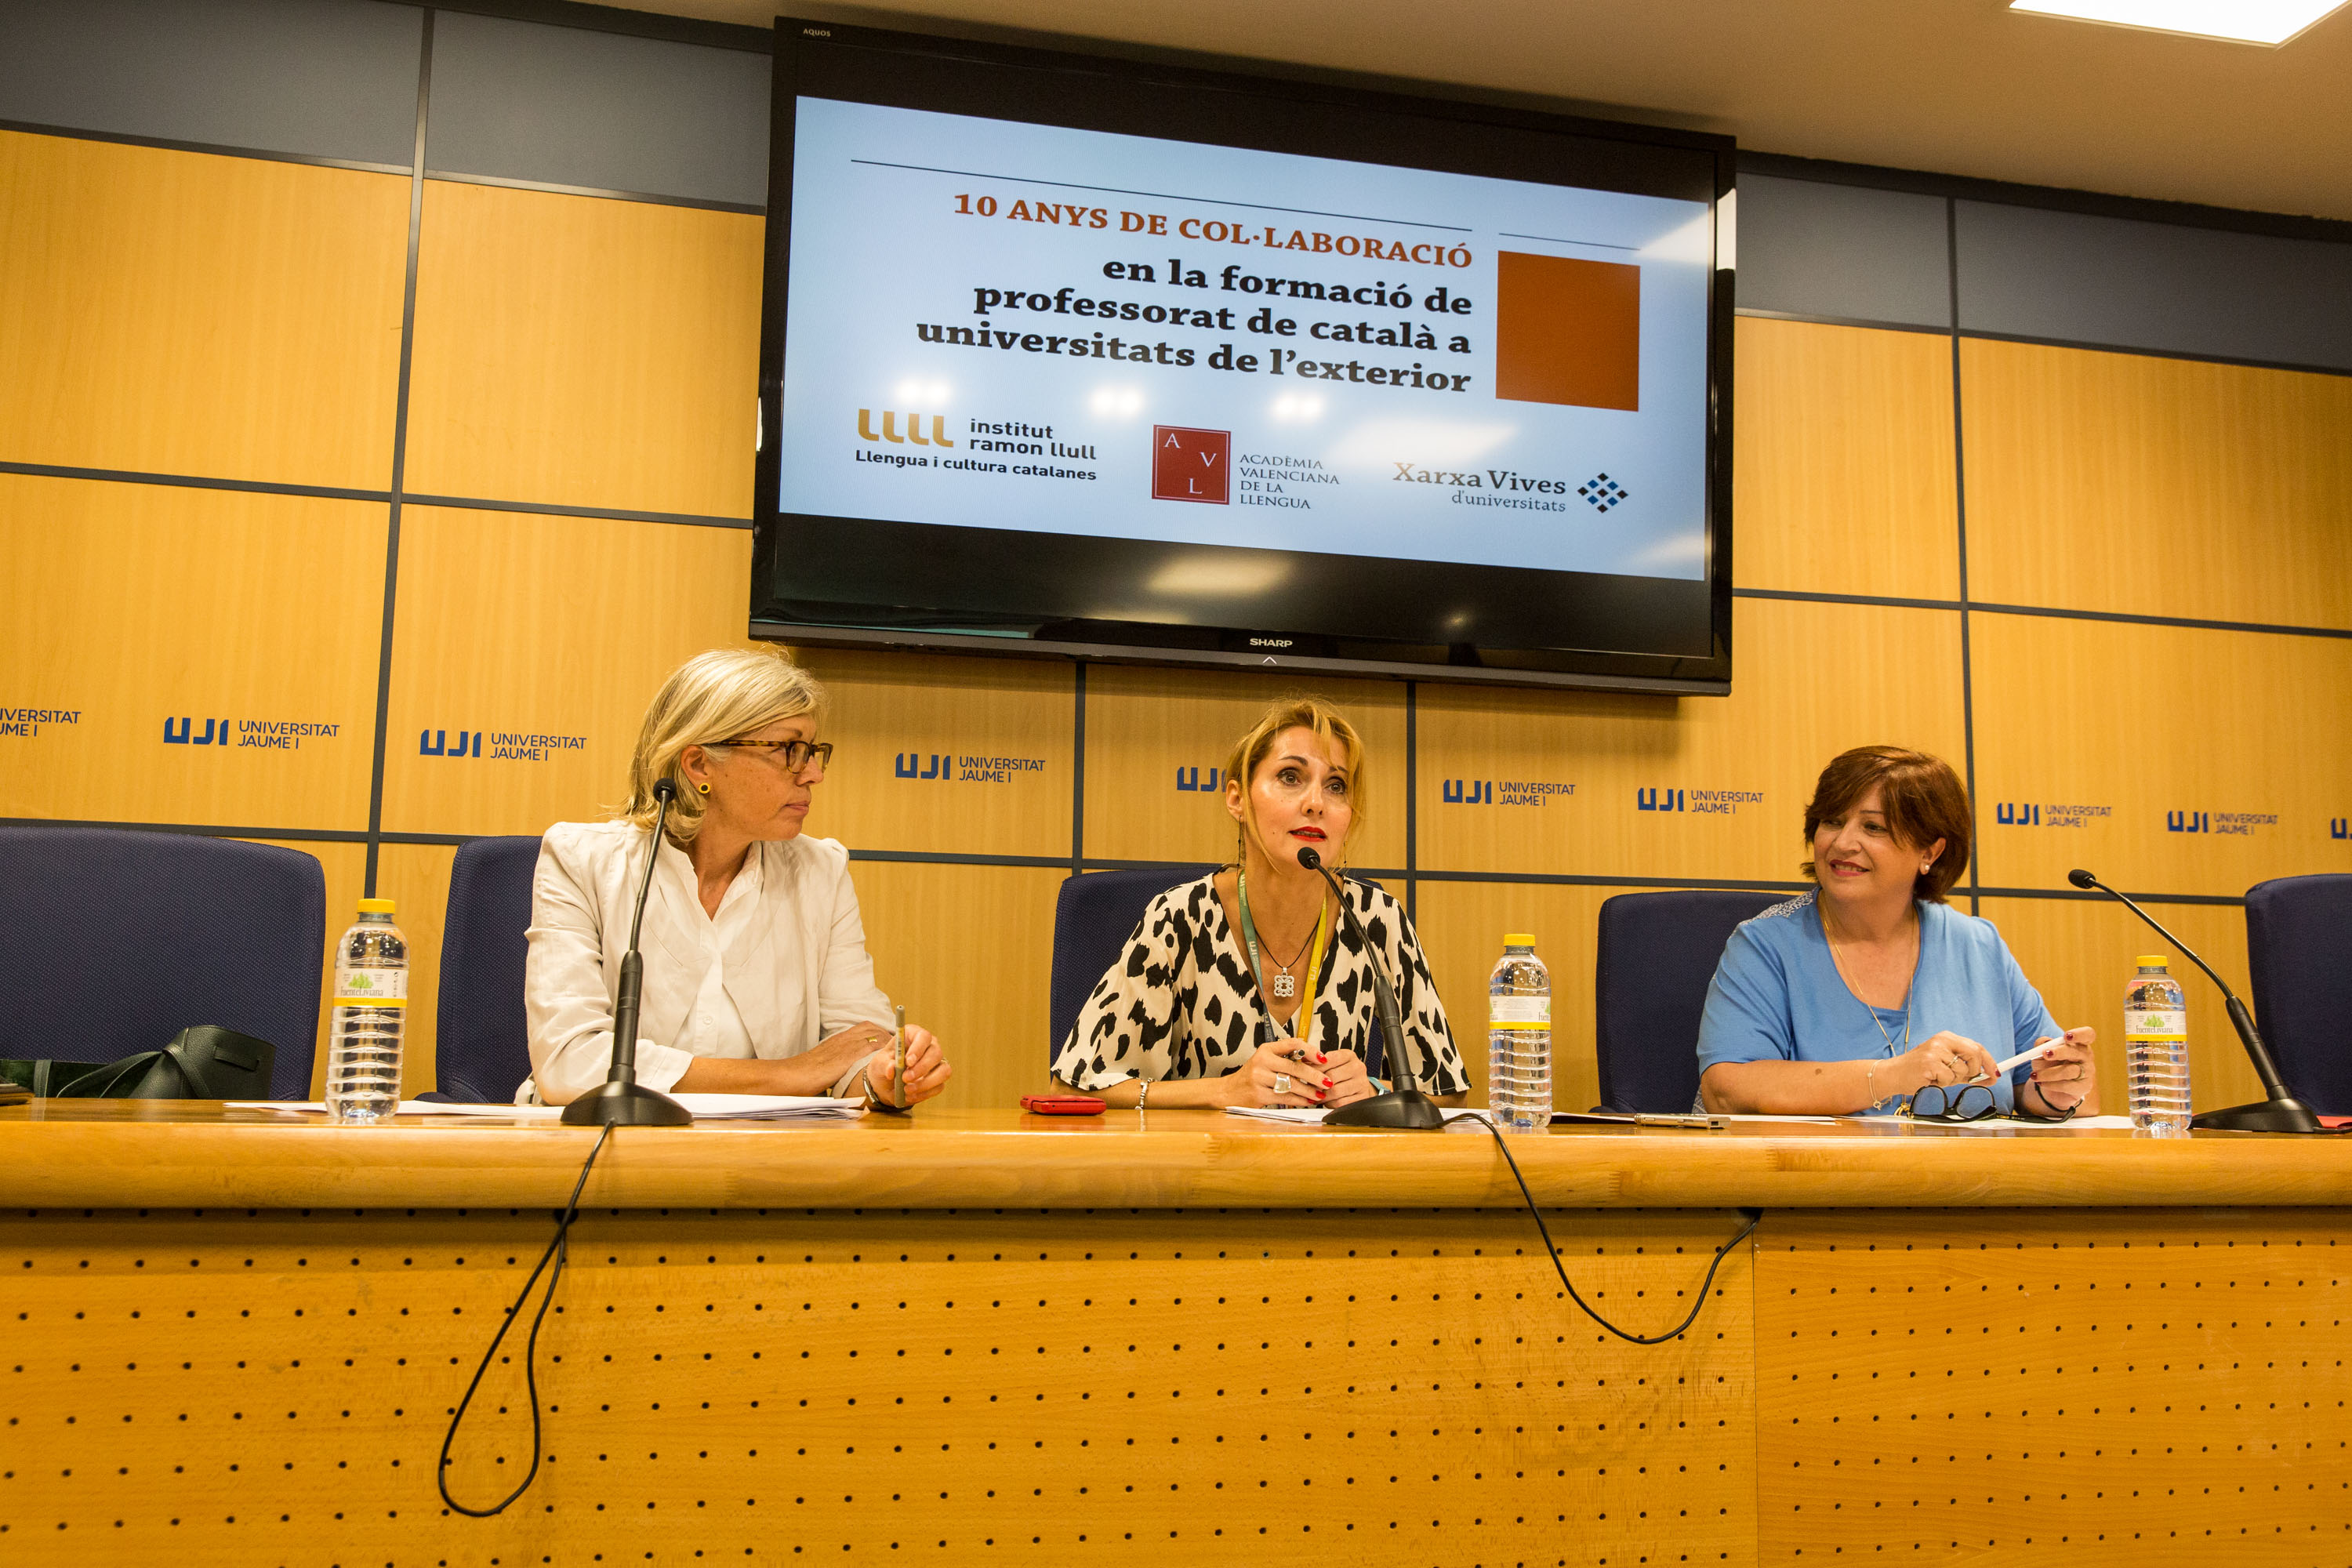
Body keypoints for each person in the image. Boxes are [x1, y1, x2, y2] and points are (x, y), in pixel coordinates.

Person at [522, 645, 951, 1109]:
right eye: (789, 750)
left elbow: (857, 1045)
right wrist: (794, 1072)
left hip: (765, 1161)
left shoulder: (820, 871)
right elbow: (569, 1064)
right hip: (610, 1154)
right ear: (700, 764)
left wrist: (881, 1077)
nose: (812, 774)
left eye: (813, 752)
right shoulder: (581, 860)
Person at [1052, 696, 1468, 1109]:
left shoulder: (1378, 920)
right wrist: (1222, 1090)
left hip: (1331, 1171)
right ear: (1237, 800)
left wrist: (1377, 1091)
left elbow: (1448, 1091)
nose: (1316, 803)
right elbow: (1072, 1087)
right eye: (1290, 777)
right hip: (1207, 1167)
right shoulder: (1180, 918)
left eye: (1336, 786)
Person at [1697, 745, 2096, 1117]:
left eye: (1874, 828)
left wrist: (2058, 1091)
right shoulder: (1765, 944)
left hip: (1971, 1185)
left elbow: (2061, 1090)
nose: (1843, 842)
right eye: (1832, 821)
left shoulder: (1979, 945)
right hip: (1820, 1184)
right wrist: (1888, 1077)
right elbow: (1726, 1090)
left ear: (1930, 852)